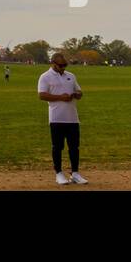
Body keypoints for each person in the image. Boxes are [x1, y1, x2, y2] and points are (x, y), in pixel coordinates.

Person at [38, 53, 86, 185]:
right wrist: (60, 97)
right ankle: (59, 173)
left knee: (74, 147)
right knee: (57, 147)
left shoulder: (71, 76)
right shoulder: (45, 77)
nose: (63, 67)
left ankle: (75, 173)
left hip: (73, 118)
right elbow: (42, 95)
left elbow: (80, 92)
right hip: (56, 118)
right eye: (61, 65)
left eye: (65, 65)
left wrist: (77, 94)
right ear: (53, 63)